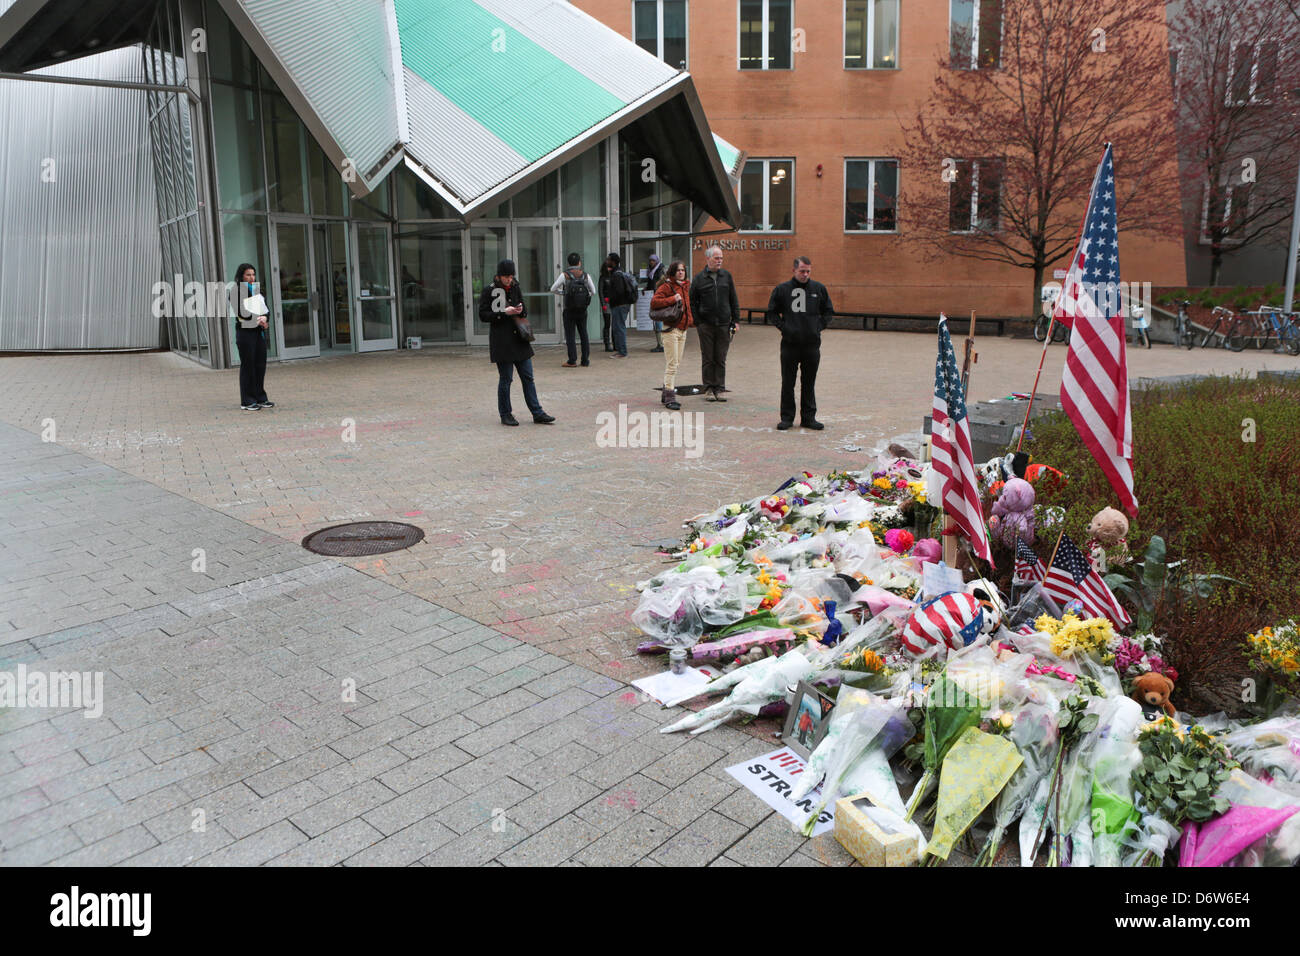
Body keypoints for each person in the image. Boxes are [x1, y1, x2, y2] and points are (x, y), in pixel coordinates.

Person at [479, 258, 555, 426]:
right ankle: (505, 414)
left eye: (511, 276)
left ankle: (537, 412)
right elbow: (483, 315)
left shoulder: (515, 287)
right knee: (506, 380)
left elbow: (524, 310)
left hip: (520, 340)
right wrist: (502, 313)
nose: (509, 279)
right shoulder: (489, 291)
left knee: (528, 378)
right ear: (499, 276)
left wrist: (520, 310)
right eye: (506, 276)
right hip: (502, 341)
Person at [766, 255, 833, 430]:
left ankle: (809, 418)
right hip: (790, 344)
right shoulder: (782, 289)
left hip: (811, 344)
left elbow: (828, 311)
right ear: (794, 270)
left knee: (809, 382)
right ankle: (787, 418)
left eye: (808, 271)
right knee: (788, 382)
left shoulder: (818, 288)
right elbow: (771, 312)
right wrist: (784, 328)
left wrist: (817, 327)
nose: (805, 274)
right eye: (802, 271)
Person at [688, 245, 740, 402]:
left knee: (720, 357)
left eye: (721, 258)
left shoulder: (726, 276)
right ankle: (709, 388)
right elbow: (692, 301)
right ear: (708, 259)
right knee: (708, 357)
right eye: (717, 258)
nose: (719, 261)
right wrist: (698, 321)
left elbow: (733, 299)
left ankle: (720, 388)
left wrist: (736, 320)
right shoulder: (699, 279)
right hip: (706, 325)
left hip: (724, 324)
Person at [229, 263, 273, 411]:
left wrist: (265, 319)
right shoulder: (236, 291)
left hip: (258, 333)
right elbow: (241, 313)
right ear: (241, 276)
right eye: (248, 275)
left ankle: (260, 397)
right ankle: (247, 401)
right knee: (248, 367)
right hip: (245, 333)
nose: (251, 277)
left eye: (253, 274)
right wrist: (258, 319)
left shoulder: (256, 289)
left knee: (260, 365)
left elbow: (265, 309)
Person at [650, 259, 693, 410]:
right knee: (672, 364)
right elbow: (654, 302)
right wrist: (672, 299)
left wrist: (691, 322)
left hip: (683, 330)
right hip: (670, 330)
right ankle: (669, 396)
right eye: (678, 270)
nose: (681, 272)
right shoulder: (667, 286)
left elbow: (687, 307)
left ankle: (666, 390)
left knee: (676, 363)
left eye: (683, 270)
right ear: (673, 272)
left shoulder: (686, 287)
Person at [550, 252, 596, 367]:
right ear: (579, 262)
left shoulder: (564, 275)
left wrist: (563, 293)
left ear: (568, 263)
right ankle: (585, 360)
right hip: (582, 310)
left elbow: (553, 289)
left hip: (569, 310)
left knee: (570, 335)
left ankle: (572, 360)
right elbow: (593, 291)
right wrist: (585, 296)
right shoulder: (586, 275)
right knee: (583, 333)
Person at [598, 252, 633, 358]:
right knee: (616, 326)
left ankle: (622, 351)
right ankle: (619, 349)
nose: (606, 262)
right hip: (621, 304)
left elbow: (618, 291)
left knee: (619, 327)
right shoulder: (618, 272)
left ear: (613, 262)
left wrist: (610, 299)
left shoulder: (617, 275)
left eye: (608, 260)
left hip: (619, 305)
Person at [645, 254, 666, 352]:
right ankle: (659, 343)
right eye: (650, 260)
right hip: (654, 296)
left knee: (658, 319)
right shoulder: (650, 271)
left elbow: (662, 283)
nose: (651, 262)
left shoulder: (660, 270)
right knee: (656, 319)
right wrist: (647, 288)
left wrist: (655, 287)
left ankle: (661, 344)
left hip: (659, 297)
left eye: (653, 261)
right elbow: (650, 283)